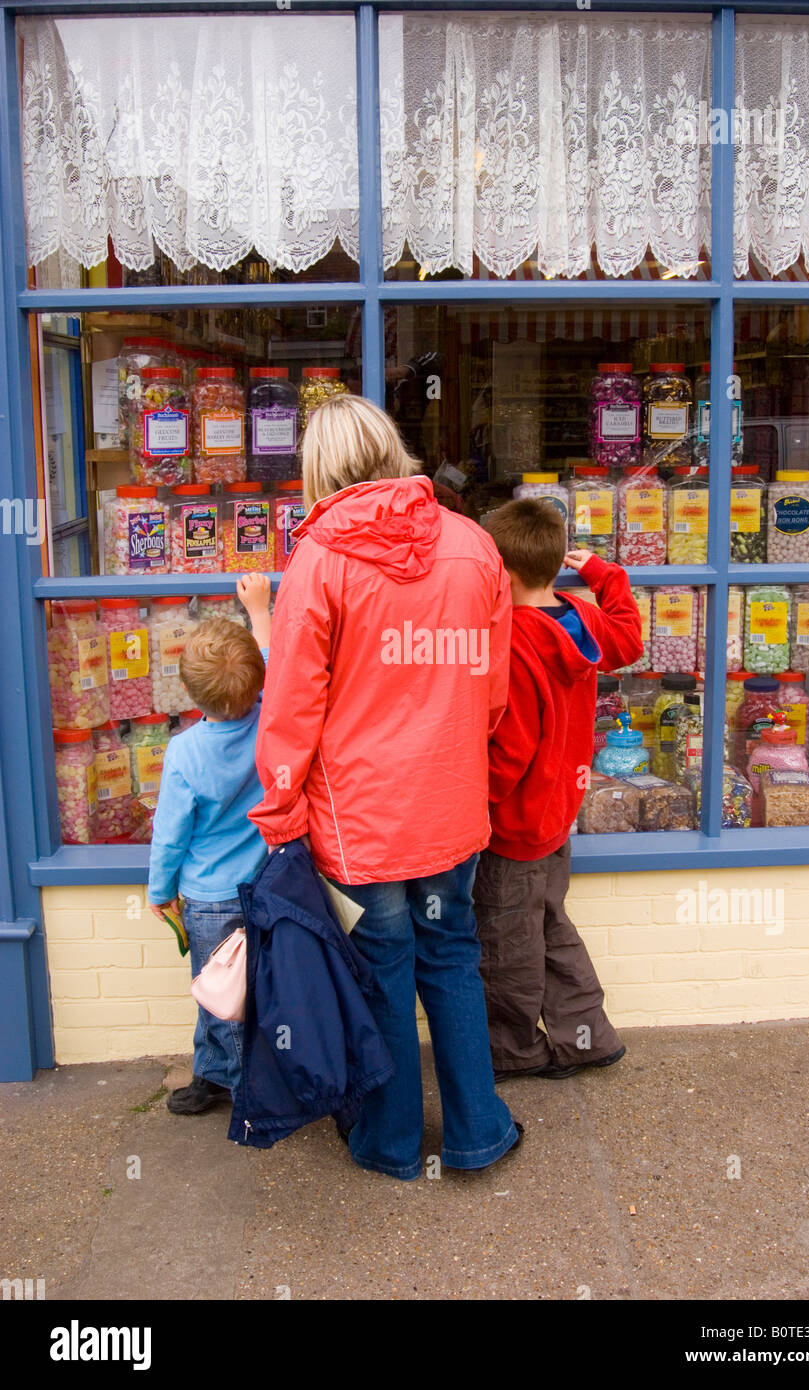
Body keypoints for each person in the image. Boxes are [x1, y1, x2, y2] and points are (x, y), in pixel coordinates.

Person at [249, 394, 522, 1181]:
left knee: (385, 972)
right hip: (451, 804)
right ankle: (478, 1133)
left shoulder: (318, 563)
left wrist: (278, 811)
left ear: (320, 469)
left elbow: (291, 707)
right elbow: (492, 693)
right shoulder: (473, 547)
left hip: (361, 821)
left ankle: (391, 1142)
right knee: (451, 958)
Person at [474, 498, 644, 1081]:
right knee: (551, 924)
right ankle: (585, 1036)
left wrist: (472, 805)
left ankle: (514, 1052)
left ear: (502, 572)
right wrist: (604, 572)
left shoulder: (515, 643)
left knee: (506, 946)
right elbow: (628, 637)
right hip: (559, 811)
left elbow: (510, 751)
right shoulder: (583, 617)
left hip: (515, 823)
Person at [147, 573, 273, 1115]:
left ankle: (222, 1078)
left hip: (208, 898)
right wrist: (260, 609)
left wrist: (159, 891)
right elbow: (273, 662)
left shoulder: (183, 752)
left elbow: (169, 834)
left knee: (218, 990)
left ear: (191, 692)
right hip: (268, 885)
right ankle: (261, 1072)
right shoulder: (271, 717)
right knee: (263, 982)